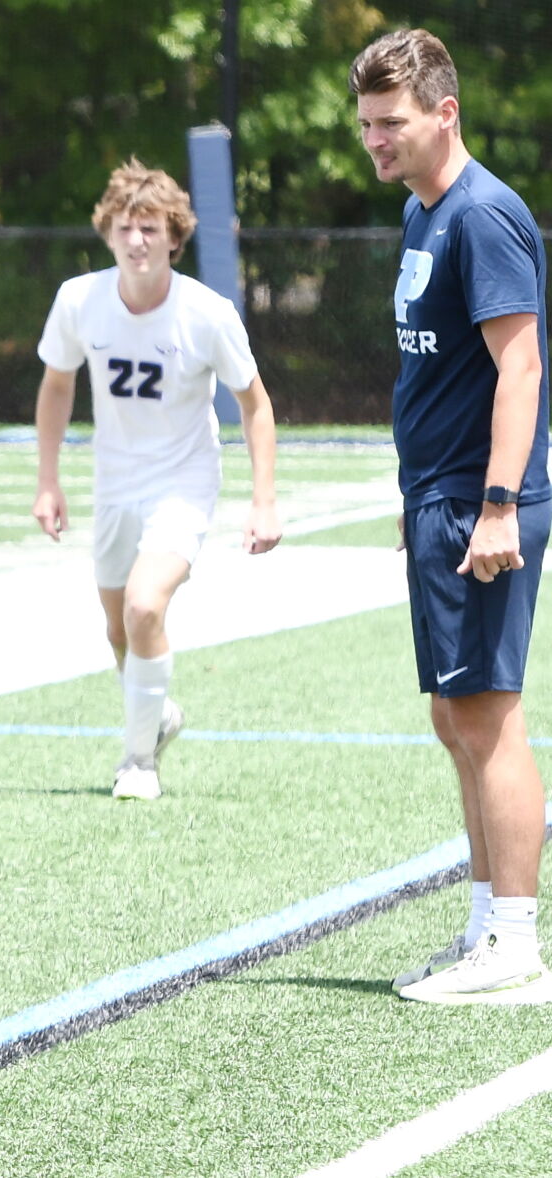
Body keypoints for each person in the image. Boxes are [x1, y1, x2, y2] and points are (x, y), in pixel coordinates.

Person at [351, 28, 551, 1004]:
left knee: (488, 714)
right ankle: (484, 927)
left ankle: (515, 940)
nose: (375, 141)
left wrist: (497, 505)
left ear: (444, 112)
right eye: (364, 126)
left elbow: (521, 364)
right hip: (436, 496)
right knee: (453, 715)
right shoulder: (419, 213)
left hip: (482, 500)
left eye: (390, 123)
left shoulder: (480, 215)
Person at [30, 160, 281, 801]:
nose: (136, 240)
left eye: (150, 227)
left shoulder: (207, 312)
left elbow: (254, 403)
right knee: (120, 631)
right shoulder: (78, 300)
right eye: (124, 227)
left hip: (183, 481)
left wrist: (263, 501)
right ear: (106, 233)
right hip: (114, 484)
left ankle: (137, 761)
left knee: (146, 604)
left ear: (174, 236)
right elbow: (57, 384)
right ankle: (158, 715)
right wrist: (48, 481)